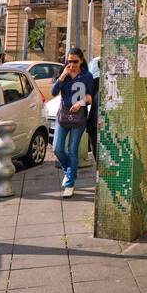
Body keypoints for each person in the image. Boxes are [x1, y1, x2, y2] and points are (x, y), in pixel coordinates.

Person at [51, 48, 95, 198]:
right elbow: (53, 92)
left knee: (72, 150)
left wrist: (80, 103)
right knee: (57, 148)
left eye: (75, 61)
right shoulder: (64, 74)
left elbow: (89, 97)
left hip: (79, 118)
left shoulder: (87, 76)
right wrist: (62, 76)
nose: (72, 64)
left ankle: (70, 183)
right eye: (69, 61)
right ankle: (69, 171)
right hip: (63, 117)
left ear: (81, 60)